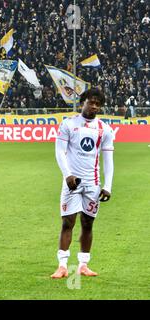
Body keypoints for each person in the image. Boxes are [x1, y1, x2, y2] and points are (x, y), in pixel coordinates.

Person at [51, 88, 114, 279]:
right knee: (67, 222)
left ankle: (83, 265)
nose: (94, 106)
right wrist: (67, 175)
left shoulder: (105, 129)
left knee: (87, 223)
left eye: (97, 103)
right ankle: (62, 265)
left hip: (92, 183)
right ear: (82, 103)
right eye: (91, 102)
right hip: (72, 182)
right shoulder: (69, 124)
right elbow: (59, 151)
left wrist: (108, 185)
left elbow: (108, 160)